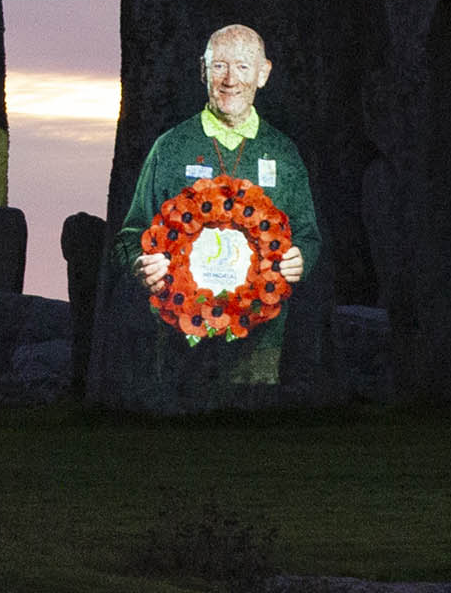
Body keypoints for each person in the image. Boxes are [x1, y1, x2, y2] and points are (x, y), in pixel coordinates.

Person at [121, 23, 313, 393]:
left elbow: (308, 235)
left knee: (247, 440)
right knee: (181, 440)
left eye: (243, 67)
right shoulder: (171, 147)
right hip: (178, 338)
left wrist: (302, 259)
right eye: (219, 66)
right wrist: (138, 264)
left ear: (263, 73)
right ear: (202, 70)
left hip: (261, 339)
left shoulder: (284, 153)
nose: (230, 80)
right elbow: (131, 234)